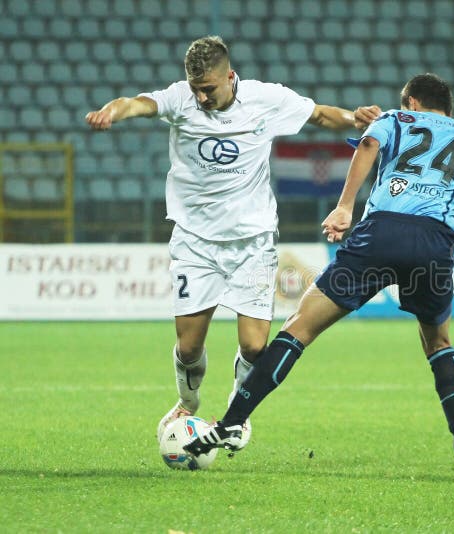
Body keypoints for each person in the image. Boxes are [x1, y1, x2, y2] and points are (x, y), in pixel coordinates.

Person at [183, 73, 454, 470]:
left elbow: (370, 144)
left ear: (410, 101)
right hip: (433, 244)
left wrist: (344, 206)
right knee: (439, 343)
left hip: (380, 234)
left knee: (299, 328)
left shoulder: (396, 118)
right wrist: (453, 240)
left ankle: (232, 423)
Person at [85, 36, 380, 446]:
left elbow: (319, 115)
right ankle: (187, 402)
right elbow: (136, 103)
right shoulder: (181, 99)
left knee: (255, 345)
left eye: (209, 88)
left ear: (229, 75)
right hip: (195, 240)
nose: (201, 97)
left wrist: (355, 119)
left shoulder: (264, 99)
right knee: (189, 347)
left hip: (253, 240)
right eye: (195, 89)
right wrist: (110, 112)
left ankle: (236, 411)